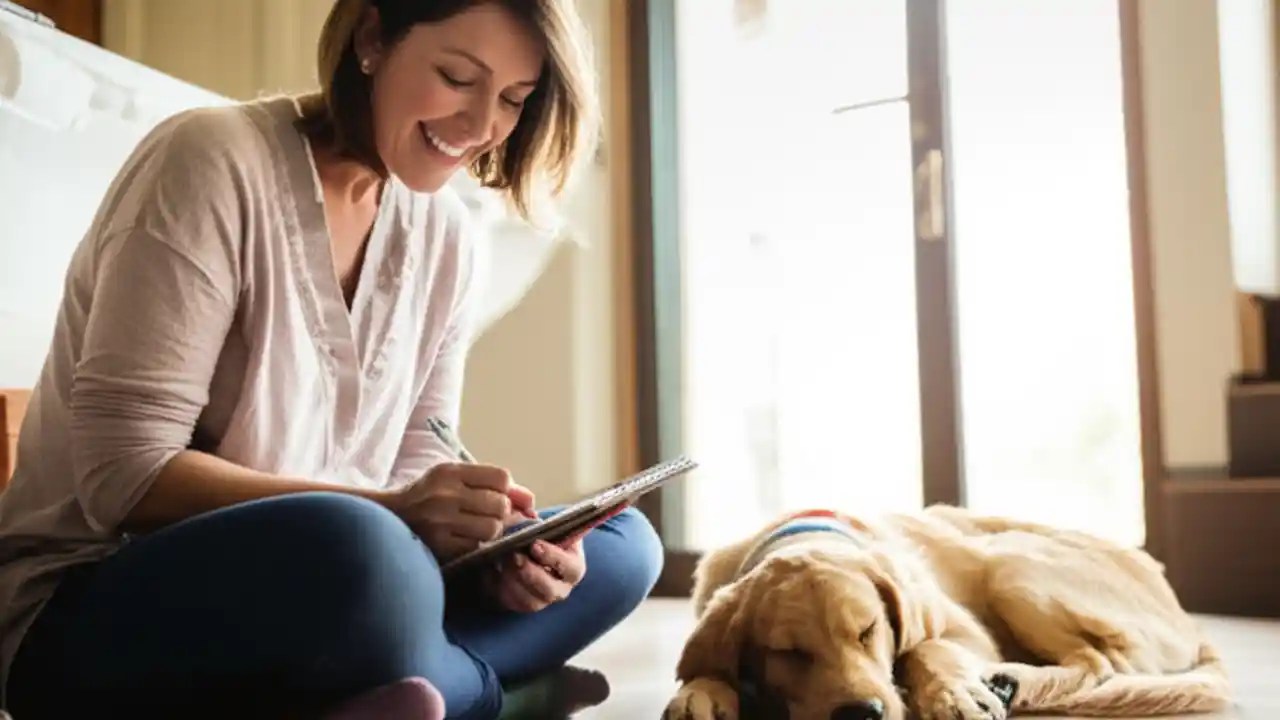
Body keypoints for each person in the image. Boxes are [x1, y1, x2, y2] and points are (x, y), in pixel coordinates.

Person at [0, 1, 663, 718]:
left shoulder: (447, 233)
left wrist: (496, 546)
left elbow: (418, 454)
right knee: (365, 552)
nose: (481, 129)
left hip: (332, 593)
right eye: (456, 77)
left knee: (625, 545)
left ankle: (403, 690)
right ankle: (494, 694)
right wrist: (394, 512)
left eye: (511, 100)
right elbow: (122, 476)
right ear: (372, 37)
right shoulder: (211, 160)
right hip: (88, 608)